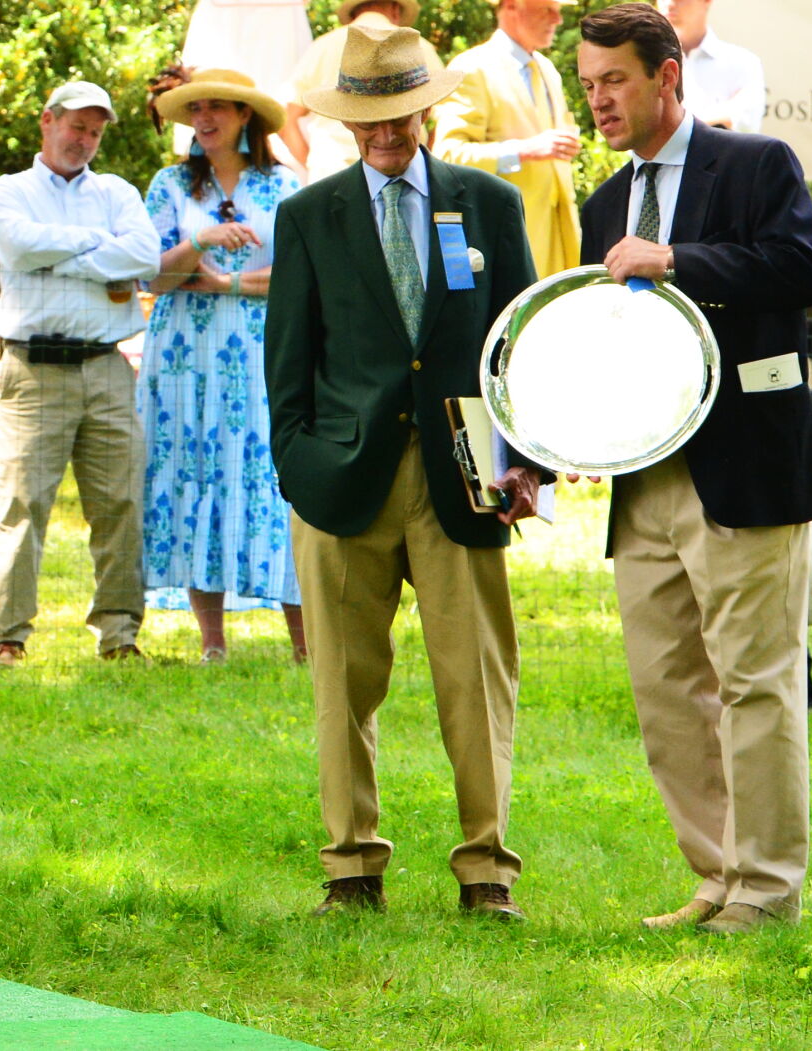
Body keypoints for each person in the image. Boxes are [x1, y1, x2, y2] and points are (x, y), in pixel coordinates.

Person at [265, 24, 545, 920]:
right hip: (341, 482)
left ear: (426, 107)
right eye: (370, 117)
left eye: (402, 113)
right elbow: (288, 363)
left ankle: (486, 871)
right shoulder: (308, 215)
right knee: (342, 681)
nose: (388, 132)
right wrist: (299, 466)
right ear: (347, 122)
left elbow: (518, 346)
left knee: (476, 677)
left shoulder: (487, 203)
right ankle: (350, 867)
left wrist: (527, 459)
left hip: (466, 479)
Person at [576, 2, 812, 934]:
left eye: (614, 81)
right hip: (639, 479)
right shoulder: (602, 203)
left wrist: (676, 258)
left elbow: (800, 269)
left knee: (754, 681)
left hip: (746, 467)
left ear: (666, 76)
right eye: (587, 83)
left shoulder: (754, 163)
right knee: (666, 693)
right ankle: (716, 876)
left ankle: (766, 888)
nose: (597, 100)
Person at [0, 81, 161, 666]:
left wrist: (53, 253)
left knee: (120, 504)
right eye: (75, 126)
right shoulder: (10, 190)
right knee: (21, 505)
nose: (83, 139)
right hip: (31, 370)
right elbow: (15, 245)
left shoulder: (117, 192)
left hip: (107, 367)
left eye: (94, 130)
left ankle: (120, 634)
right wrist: (95, 245)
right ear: (47, 121)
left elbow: (145, 257)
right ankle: (8, 636)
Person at [141, 67, 305, 663]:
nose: (204, 119)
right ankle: (212, 644)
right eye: (196, 110)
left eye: (218, 109)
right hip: (184, 354)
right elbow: (154, 275)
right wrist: (202, 240)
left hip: (263, 349)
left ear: (245, 118)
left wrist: (228, 282)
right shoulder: (169, 185)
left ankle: (304, 643)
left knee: (272, 476)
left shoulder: (284, 186)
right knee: (193, 473)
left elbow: (302, 275)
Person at [432, 0, 583, 278]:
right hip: (504, 244)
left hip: (559, 245)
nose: (558, 19)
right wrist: (524, 150)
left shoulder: (547, 68)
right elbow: (448, 156)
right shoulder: (472, 67)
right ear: (513, 6)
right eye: (547, 9)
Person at [281, 3, 434, 184]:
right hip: (405, 171)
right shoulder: (414, 46)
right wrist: (430, 163)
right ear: (394, 9)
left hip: (332, 171)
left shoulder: (322, 46)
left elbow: (286, 120)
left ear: (353, 13)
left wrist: (314, 163)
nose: (385, 135)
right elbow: (446, 114)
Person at [660, 0, 764, 132]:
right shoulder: (645, 61)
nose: (669, 3)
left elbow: (745, 124)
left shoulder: (744, 62)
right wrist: (717, 118)